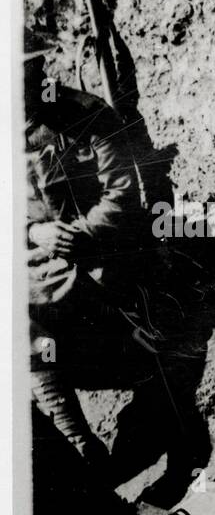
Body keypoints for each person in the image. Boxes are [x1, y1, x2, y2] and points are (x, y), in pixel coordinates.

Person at [25, 26, 147, 466]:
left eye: (25, 71)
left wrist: (80, 233)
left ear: (41, 68)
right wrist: (31, 233)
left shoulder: (87, 115)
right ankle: (79, 443)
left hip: (102, 258)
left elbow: (123, 195)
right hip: (34, 266)